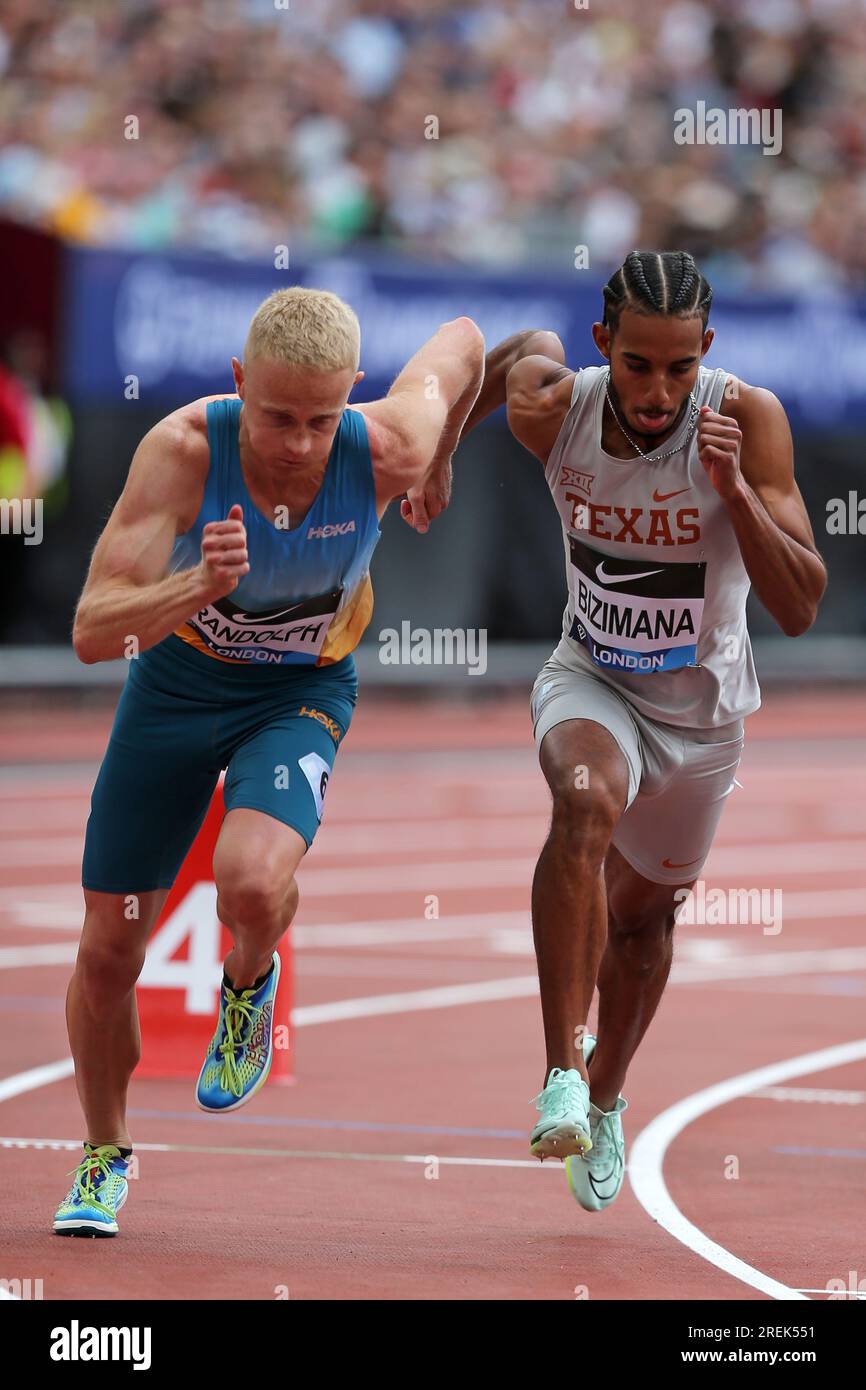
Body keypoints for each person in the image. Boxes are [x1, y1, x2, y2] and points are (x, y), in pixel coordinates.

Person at [54, 288, 483, 1235]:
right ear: (240, 382)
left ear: (353, 398)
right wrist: (196, 584)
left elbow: (461, 341)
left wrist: (440, 460)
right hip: (173, 691)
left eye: (322, 420)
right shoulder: (184, 452)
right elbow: (90, 629)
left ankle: (248, 985)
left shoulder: (388, 447)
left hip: (298, 692)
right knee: (107, 949)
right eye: (278, 416)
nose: (298, 443)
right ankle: (103, 1154)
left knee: (248, 880)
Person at [456, 250, 827, 1211]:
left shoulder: (749, 418)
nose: (659, 391)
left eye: (679, 367)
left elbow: (800, 605)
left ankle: (610, 1093)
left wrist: (734, 491)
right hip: (592, 678)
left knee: (645, 923)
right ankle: (562, 1076)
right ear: (601, 349)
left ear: (707, 351)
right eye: (636, 366)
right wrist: (438, 452)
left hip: (702, 719)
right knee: (582, 805)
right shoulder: (555, 407)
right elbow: (491, 365)